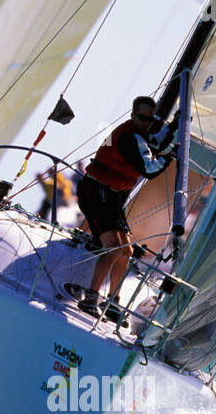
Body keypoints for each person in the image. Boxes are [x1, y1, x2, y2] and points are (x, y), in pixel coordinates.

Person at [75, 96, 177, 318]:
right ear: (133, 116)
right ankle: (91, 298)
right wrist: (169, 157)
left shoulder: (140, 135)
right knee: (112, 246)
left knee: (127, 251)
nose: (146, 123)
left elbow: (154, 143)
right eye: (142, 118)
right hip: (96, 192)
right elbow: (149, 169)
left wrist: (173, 126)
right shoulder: (130, 137)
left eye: (150, 120)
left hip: (112, 197)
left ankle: (113, 301)